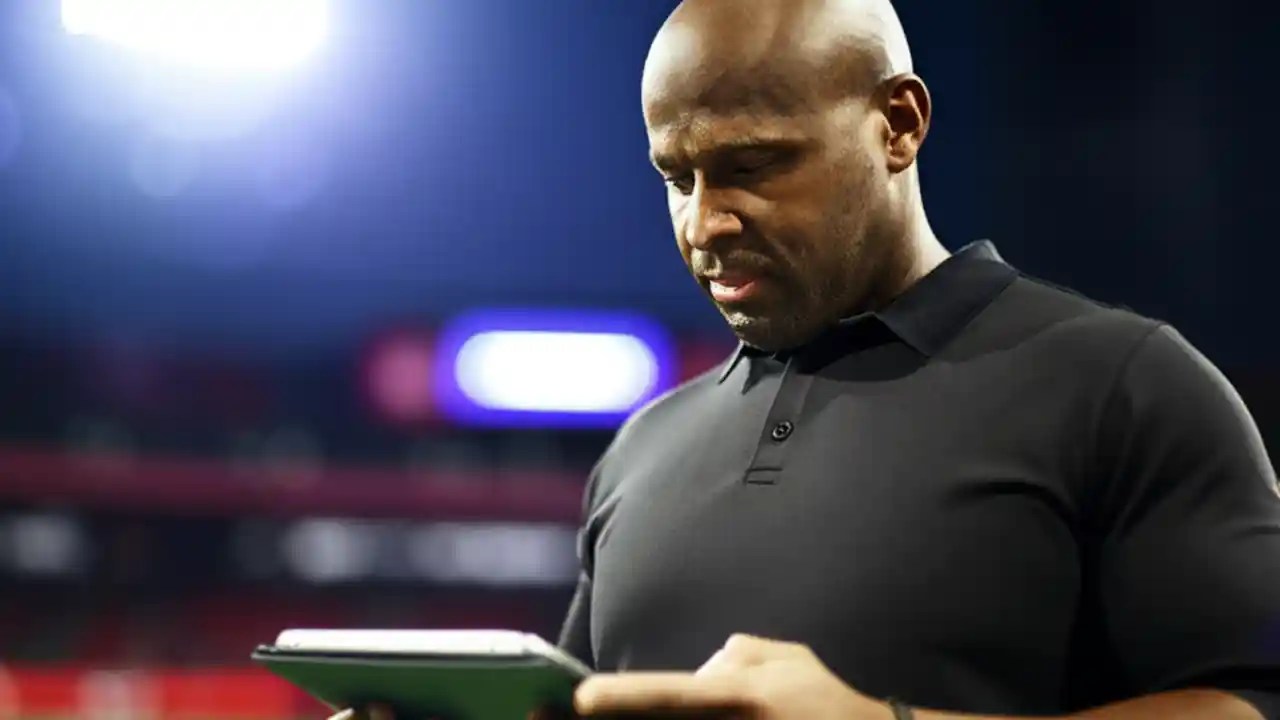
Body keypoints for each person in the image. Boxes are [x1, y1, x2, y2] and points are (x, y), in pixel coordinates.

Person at [334, 0, 1280, 718]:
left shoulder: (1127, 386)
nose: (705, 223)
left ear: (899, 124)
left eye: (752, 166)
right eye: (677, 177)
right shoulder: (641, 447)